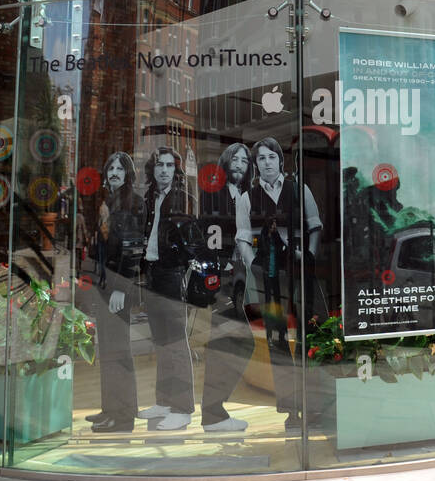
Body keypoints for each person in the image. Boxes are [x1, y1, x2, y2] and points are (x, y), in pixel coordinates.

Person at [235, 137, 322, 431]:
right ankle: (291, 411)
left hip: (298, 274)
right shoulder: (248, 197)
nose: (267, 162)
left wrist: (309, 256)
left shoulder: (300, 189)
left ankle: (314, 403)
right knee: (278, 342)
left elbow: (315, 225)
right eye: (261, 158)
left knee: (308, 334)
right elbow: (243, 236)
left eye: (272, 157)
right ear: (256, 164)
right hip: (269, 278)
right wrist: (252, 264)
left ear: (280, 161)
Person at [189, 141, 255, 432]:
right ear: (226, 163)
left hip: (244, 277)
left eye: (244, 160)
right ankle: (213, 412)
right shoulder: (215, 196)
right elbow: (204, 235)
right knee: (234, 341)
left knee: (230, 340)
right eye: (235, 159)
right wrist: (221, 265)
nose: (239, 164)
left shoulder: (247, 195)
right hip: (225, 279)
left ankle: (214, 412)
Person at [136, 147, 198, 431]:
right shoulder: (150, 198)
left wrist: (179, 265)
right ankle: (163, 401)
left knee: (176, 342)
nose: (163, 170)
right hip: (152, 273)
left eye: (169, 166)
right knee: (161, 341)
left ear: (176, 170)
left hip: (172, 274)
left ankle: (183, 408)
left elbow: (191, 241)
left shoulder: (183, 199)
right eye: (159, 165)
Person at [87, 151, 143, 433]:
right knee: (107, 350)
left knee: (119, 351)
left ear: (128, 173)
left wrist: (121, 289)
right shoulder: (110, 201)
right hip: (104, 285)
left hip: (117, 288)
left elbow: (133, 249)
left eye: (120, 168)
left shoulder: (132, 202)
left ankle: (123, 418)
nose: (114, 173)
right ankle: (110, 409)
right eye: (110, 168)